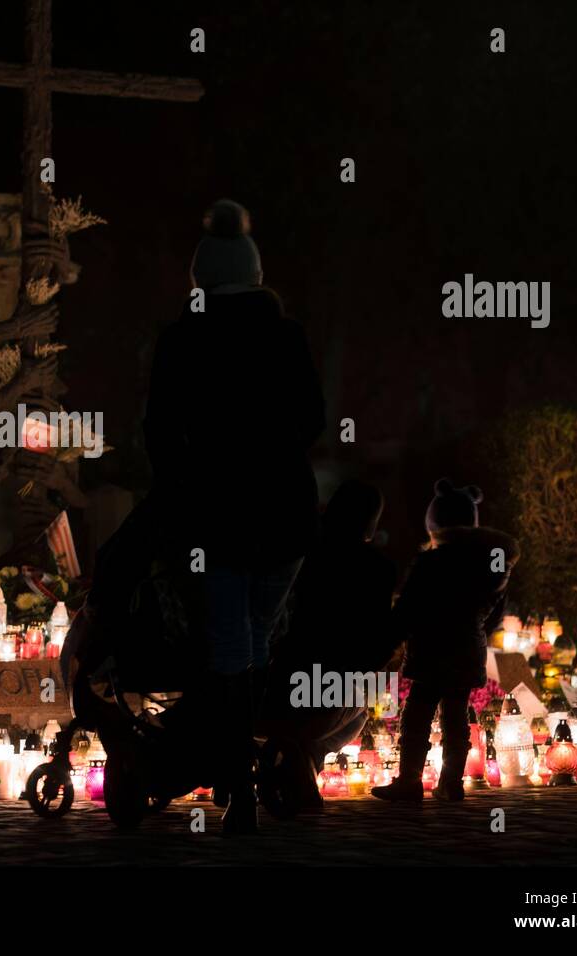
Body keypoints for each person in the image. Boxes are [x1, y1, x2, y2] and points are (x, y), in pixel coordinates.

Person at [143, 199, 326, 833]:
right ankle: (249, 768)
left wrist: (184, 485)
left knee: (230, 643)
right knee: (253, 637)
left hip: (212, 517)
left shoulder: (182, 340)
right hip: (282, 513)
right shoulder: (287, 335)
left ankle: (237, 784)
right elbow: (312, 423)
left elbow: (160, 434)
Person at [372, 479, 519, 803]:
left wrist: (386, 645)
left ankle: (409, 779)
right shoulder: (490, 566)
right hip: (467, 649)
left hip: (431, 648)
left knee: (417, 714)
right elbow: (495, 614)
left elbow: (408, 609)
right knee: (455, 714)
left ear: (435, 524)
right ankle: (451, 781)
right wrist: (476, 631)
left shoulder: (432, 562)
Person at [262, 480, 399, 807]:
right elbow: (377, 639)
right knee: (364, 703)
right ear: (371, 522)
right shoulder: (378, 569)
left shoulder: (302, 557)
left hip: (279, 680)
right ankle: (305, 758)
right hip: (328, 688)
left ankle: (300, 759)